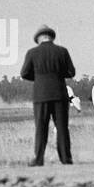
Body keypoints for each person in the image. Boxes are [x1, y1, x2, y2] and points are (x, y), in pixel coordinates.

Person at [19, 24, 76, 165]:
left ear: (38, 38)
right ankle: (66, 158)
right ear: (51, 37)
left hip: (41, 95)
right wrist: (57, 74)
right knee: (62, 127)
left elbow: (24, 73)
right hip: (59, 93)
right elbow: (71, 72)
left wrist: (39, 77)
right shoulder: (62, 51)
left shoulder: (32, 53)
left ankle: (38, 159)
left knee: (41, 128)